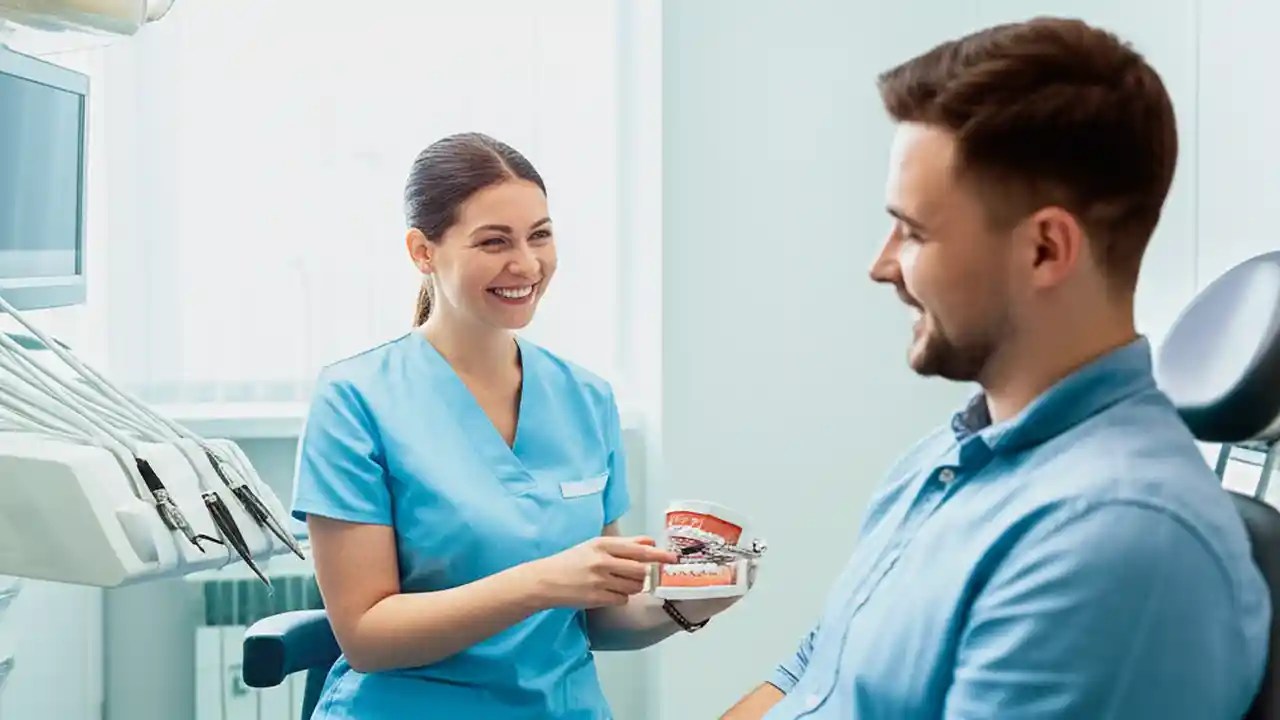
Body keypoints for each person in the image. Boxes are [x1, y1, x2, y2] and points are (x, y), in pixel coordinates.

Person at [723, 16, 1270, 720]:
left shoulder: (1115, 545)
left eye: (914, 232)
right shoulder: (950, 458)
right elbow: (818, 671)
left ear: (1045, 249)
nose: (881, 264)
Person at [292, 132, 751, 719]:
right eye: (494, 241)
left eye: (540, 235)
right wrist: (543, 581)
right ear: (422, 251)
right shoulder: (355, 400)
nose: (527, 264)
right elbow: (366, 635)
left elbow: (598, 619)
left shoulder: (586, 399)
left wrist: (689, 600)